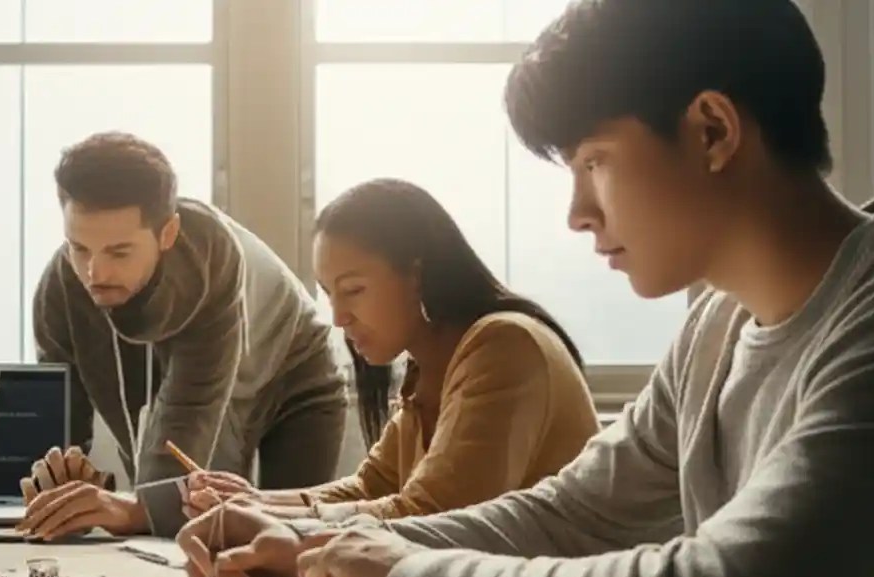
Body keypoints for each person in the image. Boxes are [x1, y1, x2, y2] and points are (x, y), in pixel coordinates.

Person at [178, 1, 874, 577]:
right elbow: (569, 515)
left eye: (594, 161)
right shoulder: (716, 329)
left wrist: (398, 574)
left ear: (713, 131)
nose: (577, 213)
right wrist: (315, 544)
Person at [183, 178, 598, 523]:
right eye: (329, 295)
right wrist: (255, 500)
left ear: (416, 274)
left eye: (353, 290)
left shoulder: (506, 346)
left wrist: (268, 516)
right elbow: (371, 486)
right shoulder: (426, 371)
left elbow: (434, 513)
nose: (339, 318)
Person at [18, 132, 346, 541]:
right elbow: (59, 436)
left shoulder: (212, 261)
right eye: (79, 247)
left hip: (297, 380)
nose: (94, 273)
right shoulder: (58, 291)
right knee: (170, 514)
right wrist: (61, 481)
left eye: (119, 252)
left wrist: (138, 506)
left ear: (167, 233)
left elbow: (179, 438)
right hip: (207, 374)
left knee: (271, 538)